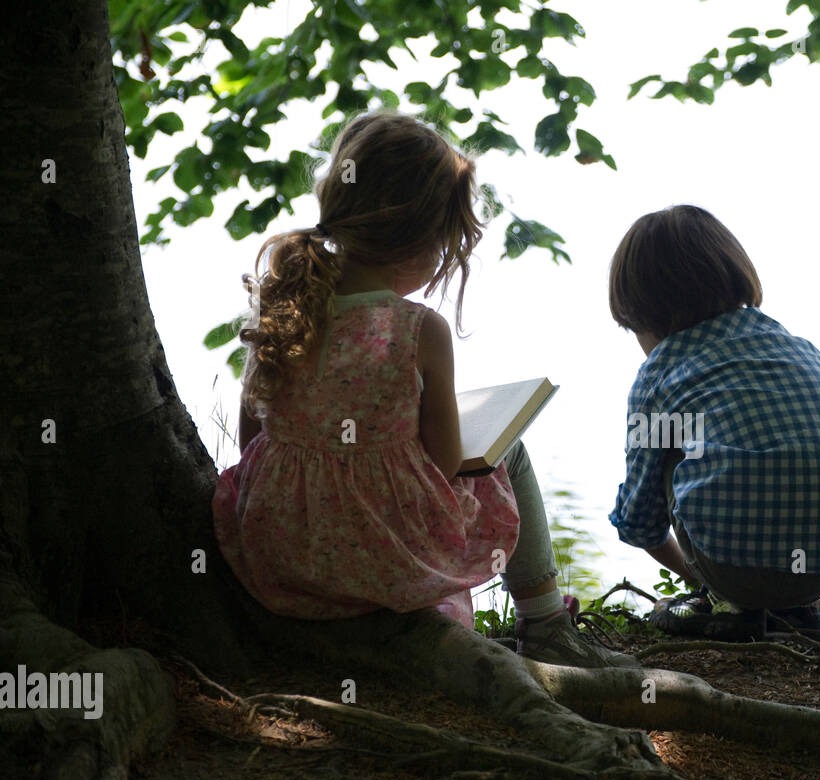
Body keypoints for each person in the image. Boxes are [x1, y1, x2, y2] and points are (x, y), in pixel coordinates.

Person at [212, 110, 633, 668]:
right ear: (420, 240)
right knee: (513, 451)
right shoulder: (417, 329)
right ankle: (547, 622)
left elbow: (252, 444)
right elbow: (442, 463)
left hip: (284, 555)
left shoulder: (285, 309)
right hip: (386, 556)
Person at [607, 205, 820, 641]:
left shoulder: (659, 373)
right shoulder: (800, 348)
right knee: (780, 454)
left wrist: (703, 578)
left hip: (735, 568)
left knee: (669, 447)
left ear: (646, 316)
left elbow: (641, 520)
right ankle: (800, 611)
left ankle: (724, 602)